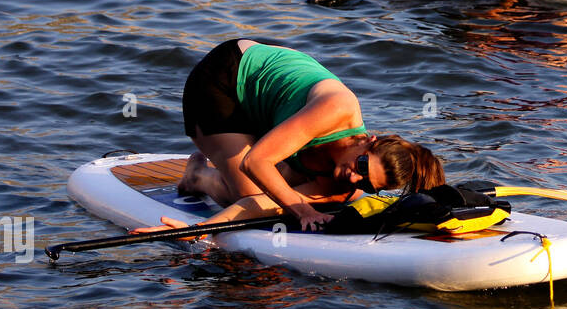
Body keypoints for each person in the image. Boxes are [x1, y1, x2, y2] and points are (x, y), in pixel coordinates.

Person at [134, 39, 445, 233]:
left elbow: (265, 205)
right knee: (250, 186)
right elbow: (256, 163)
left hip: (267, 107)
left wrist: (202, 228)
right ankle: (199, 175)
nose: (354, 179)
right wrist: (302, 209)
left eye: (365, 184)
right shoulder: (337, 108)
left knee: (311, 194)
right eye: (361, 168)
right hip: (222, 80)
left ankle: (223, 169)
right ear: (368, 140)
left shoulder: (344, 177)